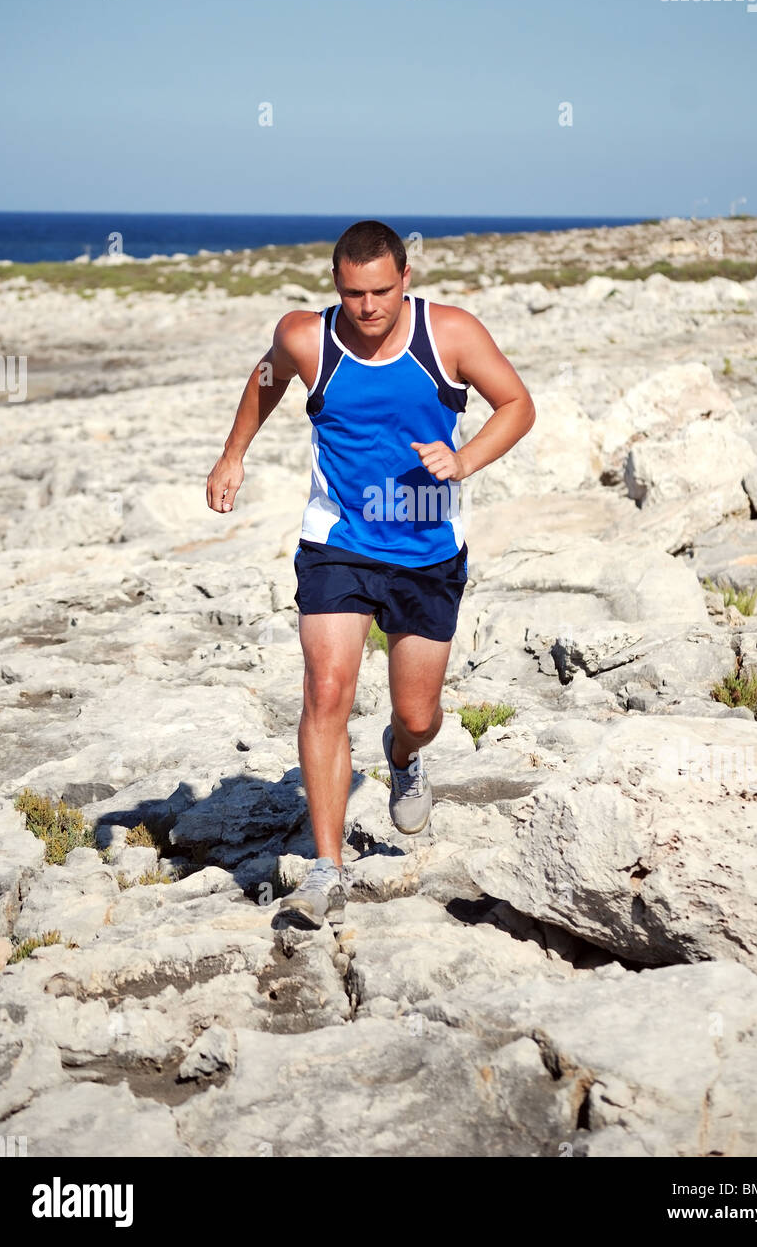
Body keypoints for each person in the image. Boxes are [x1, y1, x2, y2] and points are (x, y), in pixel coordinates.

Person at [206, 220, 535, 927]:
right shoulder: (306, 337)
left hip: (427, 546)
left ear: (406, 278)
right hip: (339, 541)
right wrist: (234, 453)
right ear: (335, 284)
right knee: (327, 690)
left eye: (382, 290)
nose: (368, 307)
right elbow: (266, 380)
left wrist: (466, 460)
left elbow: (518, 405)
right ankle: (327, 870)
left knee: (417, 714)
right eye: (354, 292)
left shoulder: (449, 335)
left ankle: (403, 753)